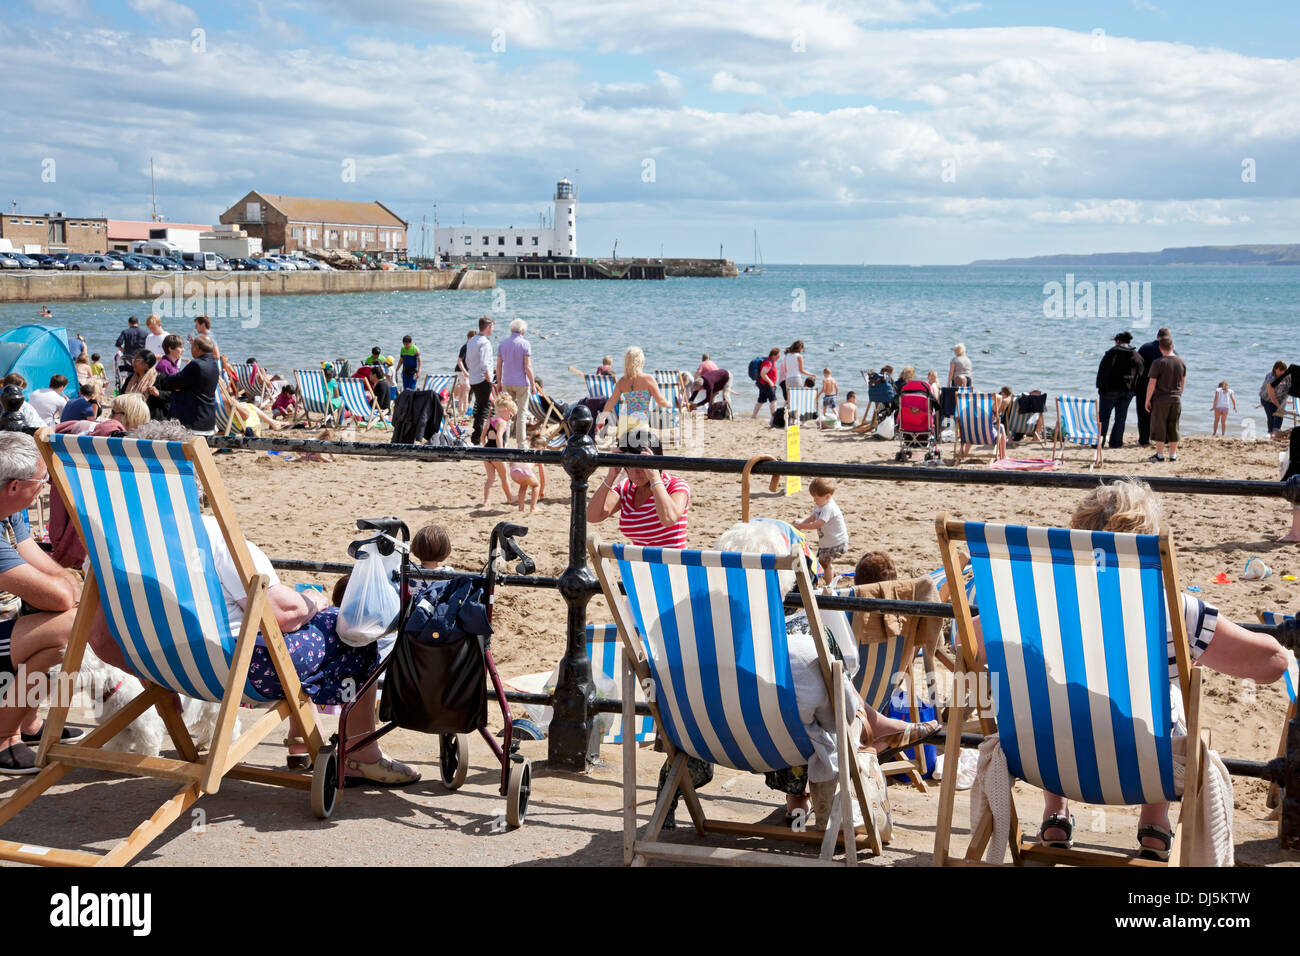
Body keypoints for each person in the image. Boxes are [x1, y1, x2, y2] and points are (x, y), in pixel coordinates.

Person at [1034, 479, 1289, 859]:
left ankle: (1056, 811)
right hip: (1149, 768)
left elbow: (967, 644)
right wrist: (1191, 649)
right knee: (1171, 701)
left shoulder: (1040, 597)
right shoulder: (1176, 610)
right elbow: (1272, 664)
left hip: (1047, 758)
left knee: (1052, 695)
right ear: (1150, 543)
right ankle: (1154, 822)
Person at [0, 432, 83, 774]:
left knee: (72, 619)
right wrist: (70, 588)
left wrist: (68, 584)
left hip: (8, 623)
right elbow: (61, 595)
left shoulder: (8, 509)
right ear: (15, 486)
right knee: (73, 630)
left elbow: (43, 564)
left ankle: (28, 721)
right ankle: (4, 735)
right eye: (42, 480)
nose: (46, 487)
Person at [602, 347, 673, 451]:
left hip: (624, 423)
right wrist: (669, 404)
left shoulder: (621, 381)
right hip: (640, 422)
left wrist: (602, 418)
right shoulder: (648, 379)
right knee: (642, 456)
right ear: (641, 361)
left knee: (623, 456)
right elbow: (660, 401)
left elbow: (611, 401)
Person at [152, 334, 219, 435]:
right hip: (208, 420)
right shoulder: (213, 364)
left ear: (197, 348)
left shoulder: (196, 364)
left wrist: (177, 384)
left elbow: (170, 382)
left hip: (192, 422)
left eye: (191, 347)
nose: (187, 350)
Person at [792, 477, 848, 584]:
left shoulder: (829, 507)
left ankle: (829, 587)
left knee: (824, 562)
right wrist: (801, 522)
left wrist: (802, 526)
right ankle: (831, 575)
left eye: (816, 498)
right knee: (824, 562)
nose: (814, 500)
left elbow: (818, 524)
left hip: (837, 542)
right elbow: (813, 517)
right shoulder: (820, 504)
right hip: (827, 542)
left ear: (827, 496)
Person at [1096, 330, 1145, 448]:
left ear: (1117, 341)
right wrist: (1134, 389)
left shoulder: (1112, 353)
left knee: (1103, 417)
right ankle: (1116, 442)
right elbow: (1141, 372)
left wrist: (1100, 388)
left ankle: (1100, 442)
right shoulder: (1136, 355)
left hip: (1110, 391)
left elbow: (1102, 372)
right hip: (1127, 391)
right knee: (1121, 417)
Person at [1144, 332, 1186, 463]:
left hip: (1161, 399)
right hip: (1176, 399)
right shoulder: (1181, 361)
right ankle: (1173, 455)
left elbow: (1152, 383)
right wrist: (1180, 394)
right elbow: (1183, 381)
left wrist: (1147, 400)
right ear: (1172, 346)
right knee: (1174, 426)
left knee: (1159, 426)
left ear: (1160, 348)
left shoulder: (1158, 362)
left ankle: (1160, 455)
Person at [496, 318, 535, 449]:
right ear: (522, 330)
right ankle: (521, 444)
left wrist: (499, 382)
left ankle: (504, 441)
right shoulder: (525, 344)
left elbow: (498, 366)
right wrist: (533, 384)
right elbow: (527, 366)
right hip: (522, 383)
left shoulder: (503, 344)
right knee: (522, 414)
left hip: (507, 381)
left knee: (505, 413)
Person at [1135, 327, 1172, 446]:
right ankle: (1165, 439)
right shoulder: (1173, 352)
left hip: (1144, 386)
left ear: (1157, 336)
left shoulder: (1145, 347)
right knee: (1162, 415)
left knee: (1143, 415)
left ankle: (1144, 440)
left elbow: (1137, 365)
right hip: (1163, 389)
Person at [481, 395, 517, 506]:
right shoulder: (502, 422)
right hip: (497, 451)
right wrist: (501, 452)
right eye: (511, 415)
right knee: (504, 476)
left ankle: (486, 501)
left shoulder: (490, 420)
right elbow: (499, 437)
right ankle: (510, 497)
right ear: (505, 410)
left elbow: (483, 436)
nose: (510, 418)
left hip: (486, 450)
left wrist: (485, 447)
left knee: (490, 479)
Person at [466, 317, 495, 445]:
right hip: (483, 379)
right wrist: (489, 380)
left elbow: (467, 361)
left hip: (474, 378)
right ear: (488, 327)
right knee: (483, 409)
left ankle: (477, 435)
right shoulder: (485, 342)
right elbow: (484, 364)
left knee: (479, 407)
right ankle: (476, 437)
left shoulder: (472, 340)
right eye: (492, 327)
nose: (493, 329)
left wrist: (473, 372)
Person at [510, 435, 547, 513]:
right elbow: (542, 477)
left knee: (523, 485)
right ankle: (533, 507)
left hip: (513, 470)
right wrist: (541, 491)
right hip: (525, 471)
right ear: (542, 449)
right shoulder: (538, 455)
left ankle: (521, 508)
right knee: (536, 485)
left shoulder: (525, 450)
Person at [1260, 360, 1289, 437]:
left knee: (1279, 415)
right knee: (1271, 417)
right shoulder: (1270, 378)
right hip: (1267, 399)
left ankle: (1277, 432)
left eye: (1284, 371)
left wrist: (1284, 402)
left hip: (1280, 397)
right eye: (1281, 371)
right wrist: (1280, 407)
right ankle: (1270, 433)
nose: (1283, 373)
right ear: (1276, 369)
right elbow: (1272, 397)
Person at [752, 347, 781, 419]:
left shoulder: (770, 361)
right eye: (778, 356)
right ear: (773, 355)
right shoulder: (768, 362)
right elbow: (763, 374)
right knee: (773, 400)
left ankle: (753, 416)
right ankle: (774, 418)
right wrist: (771, 382)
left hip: (763, 384)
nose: (779, 358)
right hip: (767, 384)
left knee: (761, 400)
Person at [115, 315, 147, 379]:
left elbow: (118, 343)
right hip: (141, 356)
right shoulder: (145, 332)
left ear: (129, 323)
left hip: (128, 357)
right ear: (138, 323)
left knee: (129, 375)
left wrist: (122, 349)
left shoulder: (125, 332)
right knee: (141, 374)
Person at [779, 340, 810, 406]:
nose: (802, 350)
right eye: (802, 348)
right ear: (800, 348)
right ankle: (795, 415)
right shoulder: (799, 356)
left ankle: (786, 414)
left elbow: (786, 370)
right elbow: (801, 371)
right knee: (798, 399)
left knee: (789, 400)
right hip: (796, 378)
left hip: (788, 379)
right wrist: (812, 374)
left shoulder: (787, 356)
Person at [453, 330, 474, 415]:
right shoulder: (465, 346)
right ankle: (464, 410)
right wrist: (465, 372)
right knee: (467, 388)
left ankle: (460, 410)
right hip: (460, 370)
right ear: (470, 338)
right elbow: (459, 361)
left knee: (463, 389)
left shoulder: (471, 347)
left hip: (464, 370)